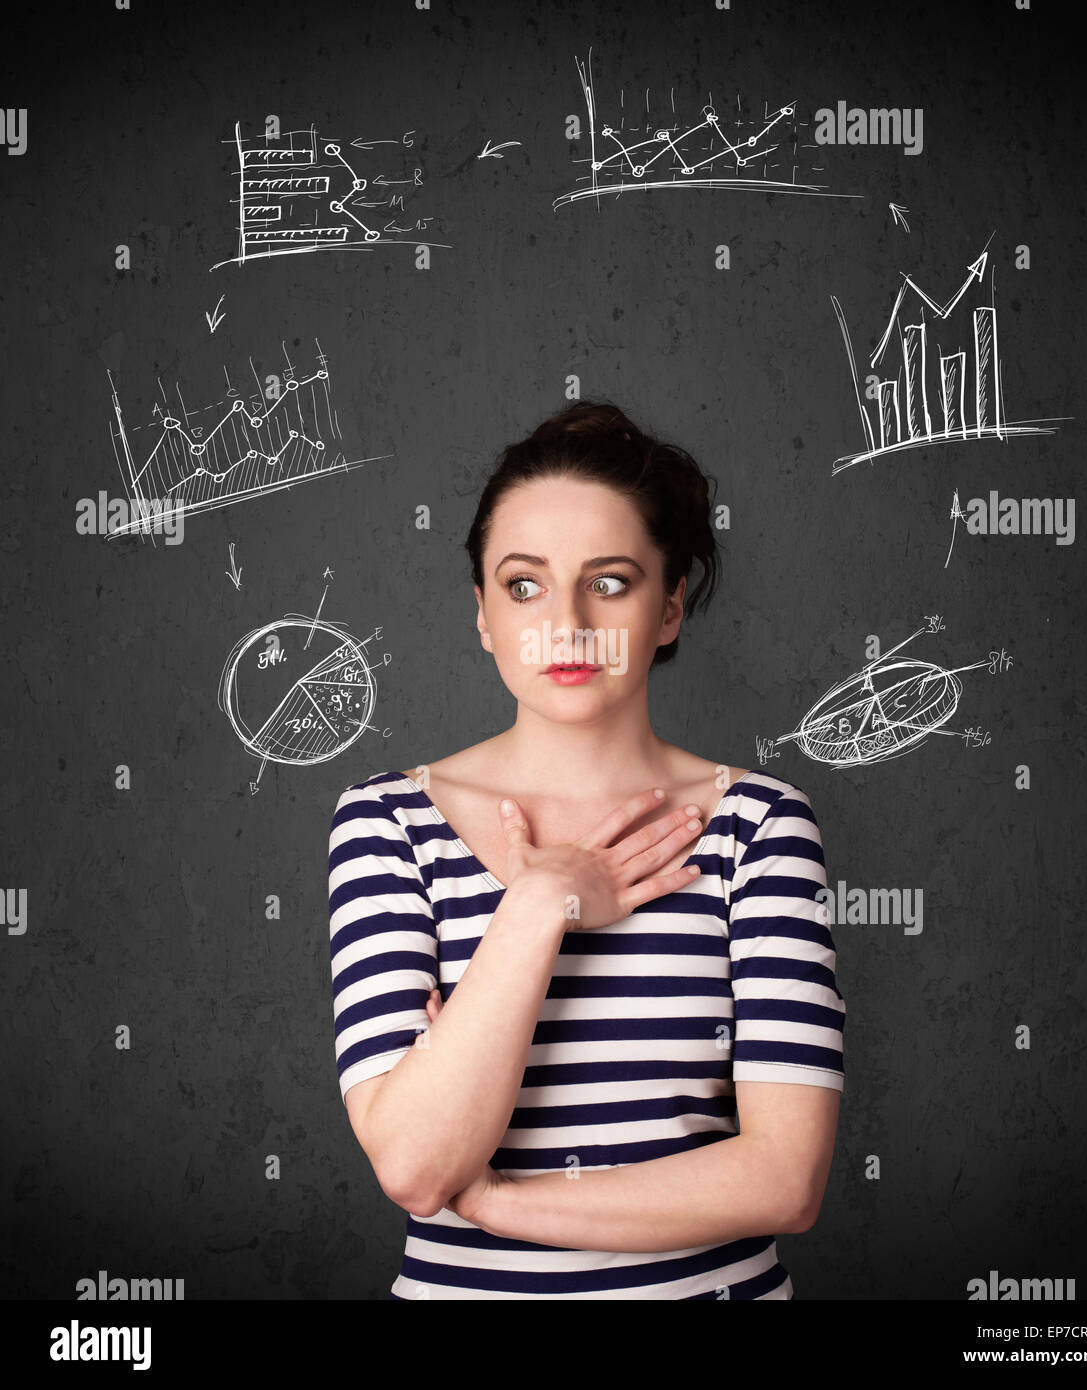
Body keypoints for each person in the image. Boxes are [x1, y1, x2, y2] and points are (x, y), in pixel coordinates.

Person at [328, 400, 846, 1299]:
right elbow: (413, 1165)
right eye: (523, 584)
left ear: (671, 605)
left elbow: (784, 1181)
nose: (564, 623)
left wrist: (498, 1204)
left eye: (609, 581)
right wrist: (538, 905)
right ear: (483, 614)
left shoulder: (761, 826)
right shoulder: (386, 823)